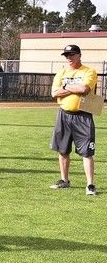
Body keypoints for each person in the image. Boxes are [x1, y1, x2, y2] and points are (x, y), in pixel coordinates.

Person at [50, 44, 97, 195]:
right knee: (63, 149)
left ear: (79, 55)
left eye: (72, 55)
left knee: (87, 152)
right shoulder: (61, 73)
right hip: (64, 114)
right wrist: (73, 87)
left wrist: (66, 86)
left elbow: (84, 89)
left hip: (83, 115)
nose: (69, 58)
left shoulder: (88, 71)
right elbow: (54, 93)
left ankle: (90, 185)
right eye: (67, 55)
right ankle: (64, 180)